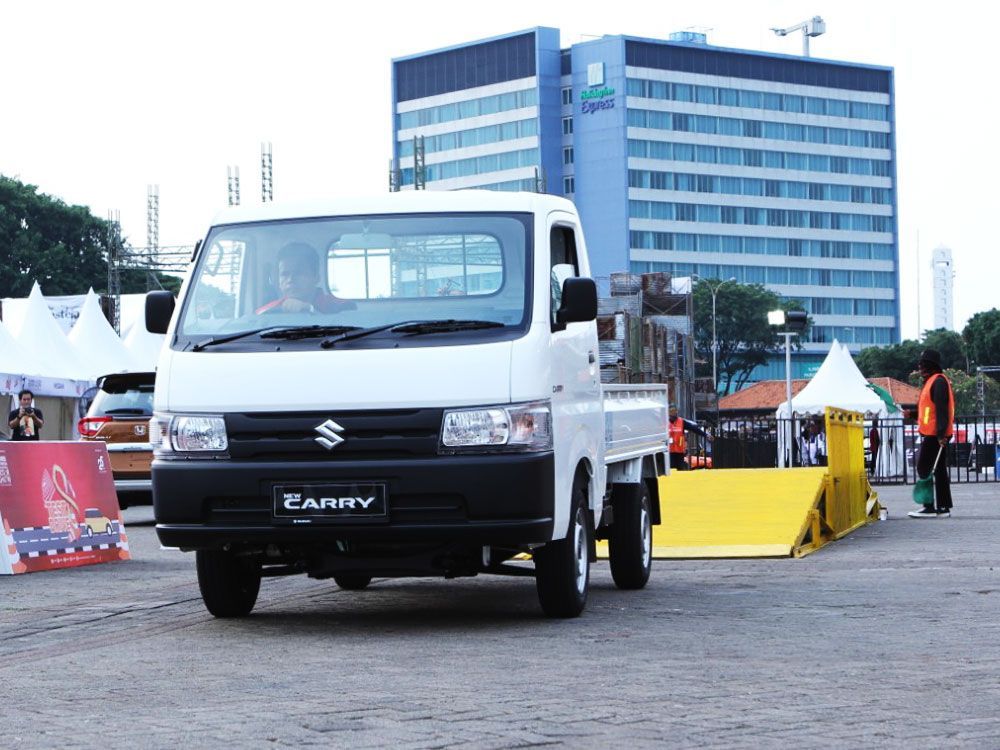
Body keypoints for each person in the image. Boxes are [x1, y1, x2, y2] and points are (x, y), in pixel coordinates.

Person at [908, 349, 955, 519]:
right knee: (939, 470)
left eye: (923, 365)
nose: (920, 368)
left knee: (924, 467)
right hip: (934, 432)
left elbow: (942, 410)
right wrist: (912, 414)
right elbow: (929, 411)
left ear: (931, 366)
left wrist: (941, 434)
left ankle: (929, 507)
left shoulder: (939, 382)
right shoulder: (931, 382)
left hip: (936, 434)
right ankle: (943, 507)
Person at [256, 242, 355, 315]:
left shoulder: (343, 307)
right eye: (285, 274)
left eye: (299, 273)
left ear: (316, 277)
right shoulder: (266, 312)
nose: (290, 279)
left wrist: (309, 310)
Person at [668, 405, 712, 471]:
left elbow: (694, 428)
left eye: (675, 411)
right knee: (671, 469)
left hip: (679, 451)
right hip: (669, 451)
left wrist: (706, 435)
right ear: (668, 413)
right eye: (672, 411)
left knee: (680, 469)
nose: (675, 413)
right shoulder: (664, 422)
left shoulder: (681, 422)